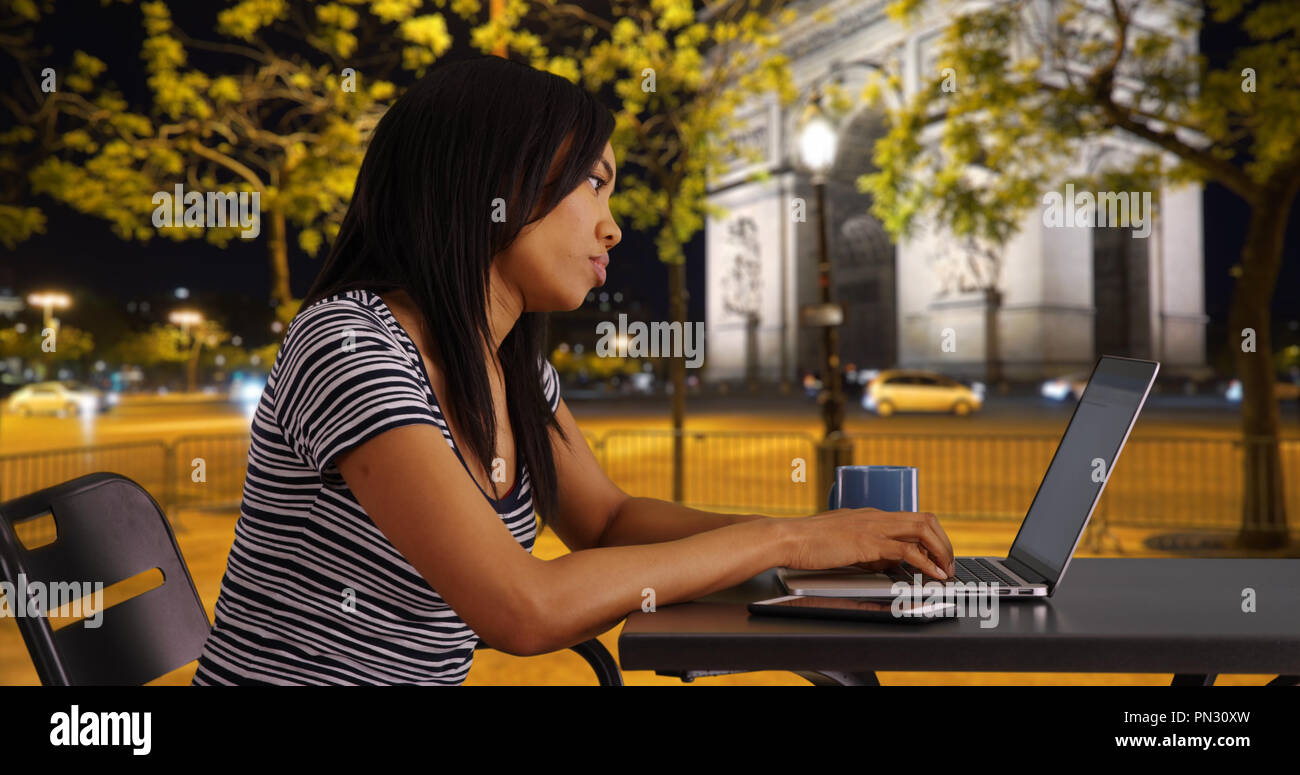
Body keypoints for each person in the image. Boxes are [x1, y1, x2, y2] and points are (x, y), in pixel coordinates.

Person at [192, 55, 955, 686]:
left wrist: (829, 542)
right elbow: (523, 607)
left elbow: (607, 523)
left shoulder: (517, 369)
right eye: (593, 181)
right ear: (491, 177)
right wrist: (784, 543)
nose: (612, 224)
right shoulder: (350, 345)